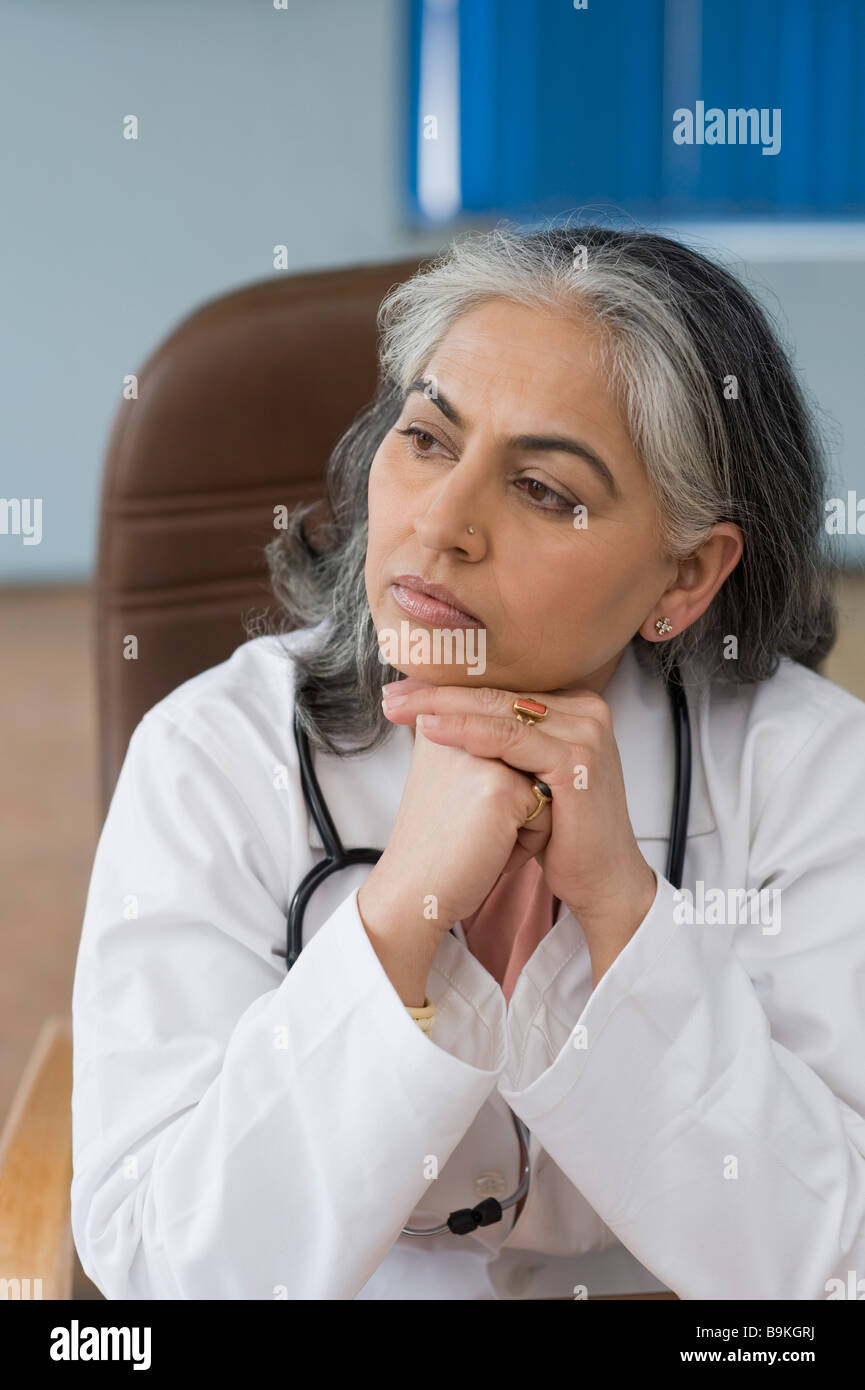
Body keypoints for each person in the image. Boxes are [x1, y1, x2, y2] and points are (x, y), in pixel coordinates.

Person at [71, 222, 865, 1300]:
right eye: (428, 439)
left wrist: (624, 913)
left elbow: (838, 1267)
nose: (440, 522)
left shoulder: (813, 772)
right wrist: (395, 921)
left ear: (686, 575)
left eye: (543, 488)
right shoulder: (213, 754)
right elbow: (165, 1276)